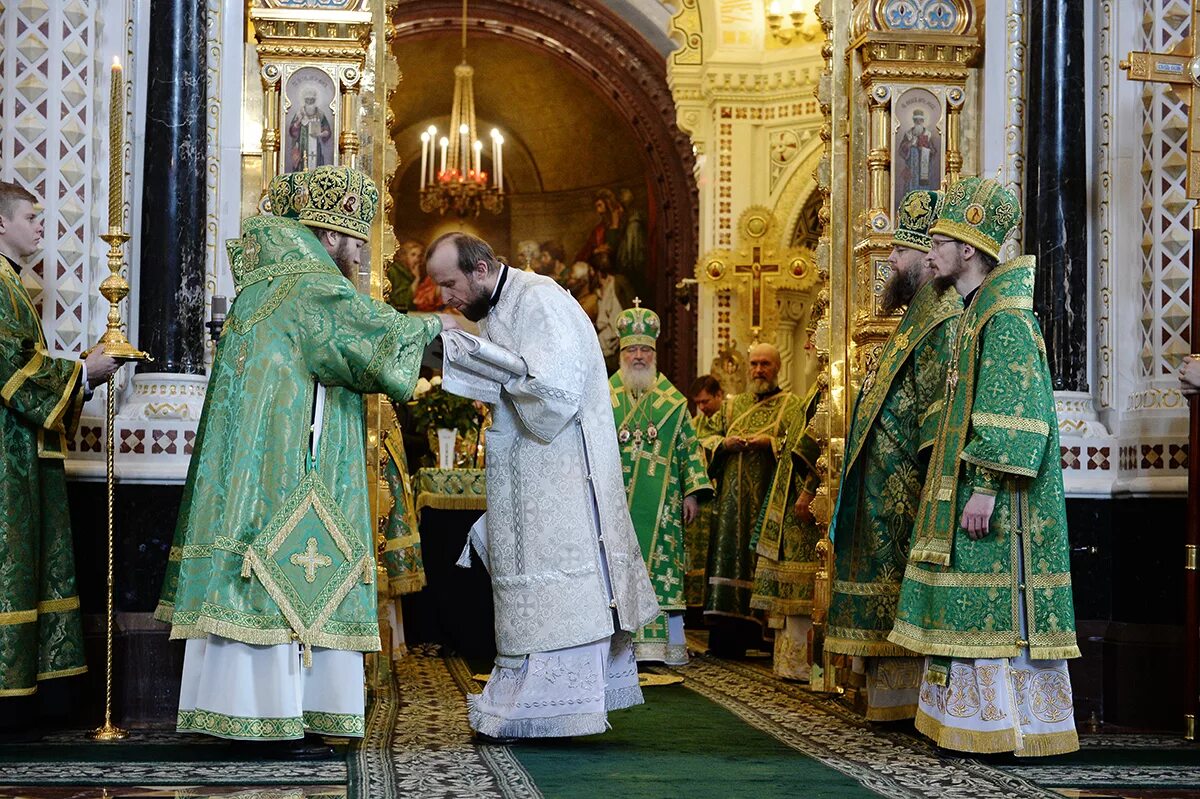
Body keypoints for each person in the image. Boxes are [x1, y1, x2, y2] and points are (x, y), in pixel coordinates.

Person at [156, 166, 455, 753]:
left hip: (249, 470)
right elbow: (371, 337)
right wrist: (445, 329)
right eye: (357, 234)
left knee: (250, 568)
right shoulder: (311, 285)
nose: (364, 246)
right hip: (290, 468)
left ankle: (237, 711)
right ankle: (279, 713)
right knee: (283, 572)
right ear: (331, 233)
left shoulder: (264, 285)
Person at [424, 231, 659, 740]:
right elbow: (514, 381)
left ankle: (561, 709)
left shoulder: (541, 300)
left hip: (562, 477)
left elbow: (552, 398)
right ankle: (532, 705)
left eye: (450, 283)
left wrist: (464, 348)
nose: (447, 297)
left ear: (481, 267)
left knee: (559, 585)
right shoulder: (499, 309)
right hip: (526, 473)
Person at [890, 176, 1080, 756]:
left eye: (939, 242)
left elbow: (1013, 406)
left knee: (993, 606)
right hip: (971, 485)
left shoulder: (1005, 317)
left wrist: (986, 487)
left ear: (966, 251)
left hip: (995, 496)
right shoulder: (976, 312)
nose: (928, 252)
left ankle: (1007, 724)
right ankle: (977, 720)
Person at [824, 190, 962, 720]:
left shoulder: (941, 317)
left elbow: (937, 406)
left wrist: (932, 482)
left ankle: (906, 702)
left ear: (923, 259)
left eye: (897, 256)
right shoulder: (918, 314)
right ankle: (888, 699)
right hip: (888, 481)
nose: (890, 266)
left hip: (909, 486)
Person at [0, 181, 120, 735]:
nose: (42, 226)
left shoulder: (13, 284)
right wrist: (84, 373)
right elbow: (15, 372)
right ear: (2, 224)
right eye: (32, 215)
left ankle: (33, 699)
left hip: (24, 454)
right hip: (8, 460)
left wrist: (78, 373)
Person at [609, 304, 712, 664]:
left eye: (645, 350)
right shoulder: (603, 399)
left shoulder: (674, 403)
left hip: (664, 503)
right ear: (621, 354)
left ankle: (661, 648)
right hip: (614, 501)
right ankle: (618, 648)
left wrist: (692, 493)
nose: (638, 356)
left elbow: (689, 448)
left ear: (654, 354)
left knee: (661, 567)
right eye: (631, 350)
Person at [703, 343, 806, 656]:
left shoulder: (792, 405)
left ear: (778, 369)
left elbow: (798, 447)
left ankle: (758, 638)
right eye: (755, 364)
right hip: (730, 506)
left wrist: (770, 443)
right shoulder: (732, 406)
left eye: (766, 364)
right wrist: (724, 444)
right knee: (729, 560)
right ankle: (725, 641)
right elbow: (704, 439)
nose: (759, 370)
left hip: (766, 502)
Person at [748, 380, 821, 680]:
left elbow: (819, 443)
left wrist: (809, 490)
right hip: (787, 499)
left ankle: (807, 666)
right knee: (786, 580)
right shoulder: (814, 389)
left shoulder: (829, 388)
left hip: (805, 504)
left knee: (804, 583)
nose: (808, 345)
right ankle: (791, 664)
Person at [685, 375, 725, 609]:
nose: (701, 408)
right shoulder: (694, 424)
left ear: (719, 395)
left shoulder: (730, 418)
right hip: (700, 502)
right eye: (697, 403)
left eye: (706, 401)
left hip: (720, 498)